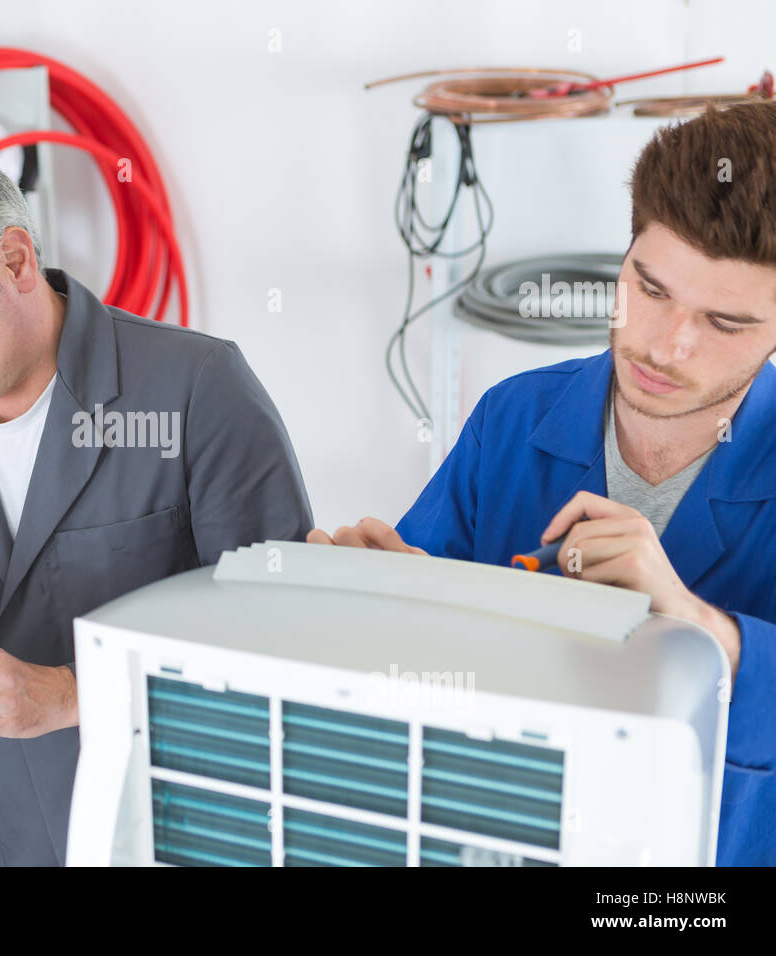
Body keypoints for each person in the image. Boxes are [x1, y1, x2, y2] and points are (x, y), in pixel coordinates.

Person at [307, 103, 776, 866]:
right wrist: (393, 601)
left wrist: (697, 628)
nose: (667, 345)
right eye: (650, 289)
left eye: (725, 324)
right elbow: (422, 666)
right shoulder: (514, 417)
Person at [0, 148, 314, 865]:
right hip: (15, 836)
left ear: (15, 261)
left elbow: (283, 638)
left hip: (194, 829)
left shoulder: (198, 389)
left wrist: (70, 695)